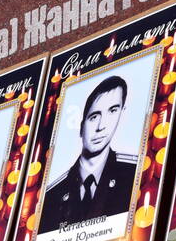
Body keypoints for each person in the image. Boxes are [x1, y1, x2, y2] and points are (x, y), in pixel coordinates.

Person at [38, 75, 139, 233]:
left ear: (122, 113)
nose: (101, 126)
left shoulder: (133, 175)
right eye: (94, 117)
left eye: (113, 111)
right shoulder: (51, 196)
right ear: (81, 125)